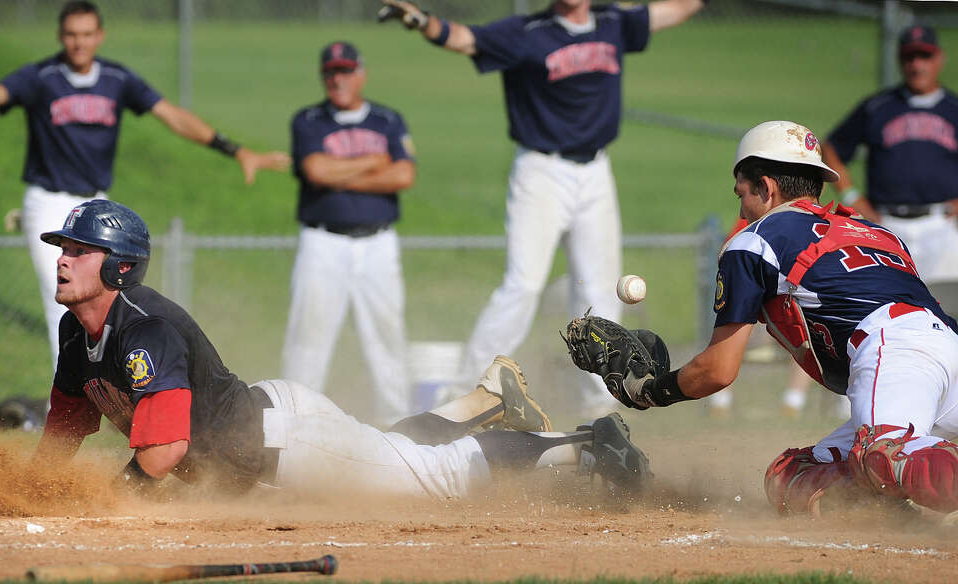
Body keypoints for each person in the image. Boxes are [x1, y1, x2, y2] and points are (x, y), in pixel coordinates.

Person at [33, 198, 651, 504]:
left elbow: (163, 451)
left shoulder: (146, 330)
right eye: (62, 246)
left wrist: (107, 504)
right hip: (270, 434)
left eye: (77, 250)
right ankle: (484, 403)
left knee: (436, 479)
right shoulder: (76, 332)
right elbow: (66, 425)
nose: (62, 258)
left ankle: (588, 447)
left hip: (284, 446)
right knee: (394, 452)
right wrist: (33, 488)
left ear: (117, 267)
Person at [587, 120, 958, 516]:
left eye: (742, 194)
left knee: (883, 455)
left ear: (767, 187)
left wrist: (649, 391)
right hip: (944, 348)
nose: (741, 209)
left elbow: (718, 370)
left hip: (892, 348)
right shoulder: (881, 234)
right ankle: (890, 514)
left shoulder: (755, 240)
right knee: (792, 477)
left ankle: (900, 472)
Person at [0, 0, 290, 367]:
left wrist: (234, 150)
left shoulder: (117, 80)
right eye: (71, 34)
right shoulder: (43, 77)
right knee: (65, 300)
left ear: (99, 36)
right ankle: (66, 405)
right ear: (60, 36)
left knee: (104, 301)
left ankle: (104, 389)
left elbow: (172, 116)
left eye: (86, 34)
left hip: (95, 207)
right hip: (50, 201)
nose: (78, 42)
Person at [377, 0, 706, 416]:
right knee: (523, 285)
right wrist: (423, 21)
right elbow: (466, 39)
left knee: (602, 287)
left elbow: (667, 12)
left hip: (596, 170)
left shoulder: (612, 23)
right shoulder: (528, 32)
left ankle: (601, 407)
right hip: (541, 170)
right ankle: (465, 390)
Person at [283, 42, 415, 425]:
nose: (337, 79)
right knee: (309, 337)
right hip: (323, 242)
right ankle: (295, 422)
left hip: (379, 243)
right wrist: (374, 163)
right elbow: (316, 172)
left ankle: (401, 426)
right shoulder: (308, 120)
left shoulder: (388, 120)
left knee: (388, 338)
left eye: (344, 71)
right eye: (330, 72)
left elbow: (404, 175)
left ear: (361, 74)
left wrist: (341, 173)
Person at [822, 24, 958, 310]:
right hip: (887, 224)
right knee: (890, 307)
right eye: (910, 57)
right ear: (900, 60)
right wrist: (852, 197)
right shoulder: (879, 107)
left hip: (944, 224)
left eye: (924, 56)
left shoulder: (953, 109)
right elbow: (830, 148)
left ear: (939, 59)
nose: (917, 65)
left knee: (949, 308)